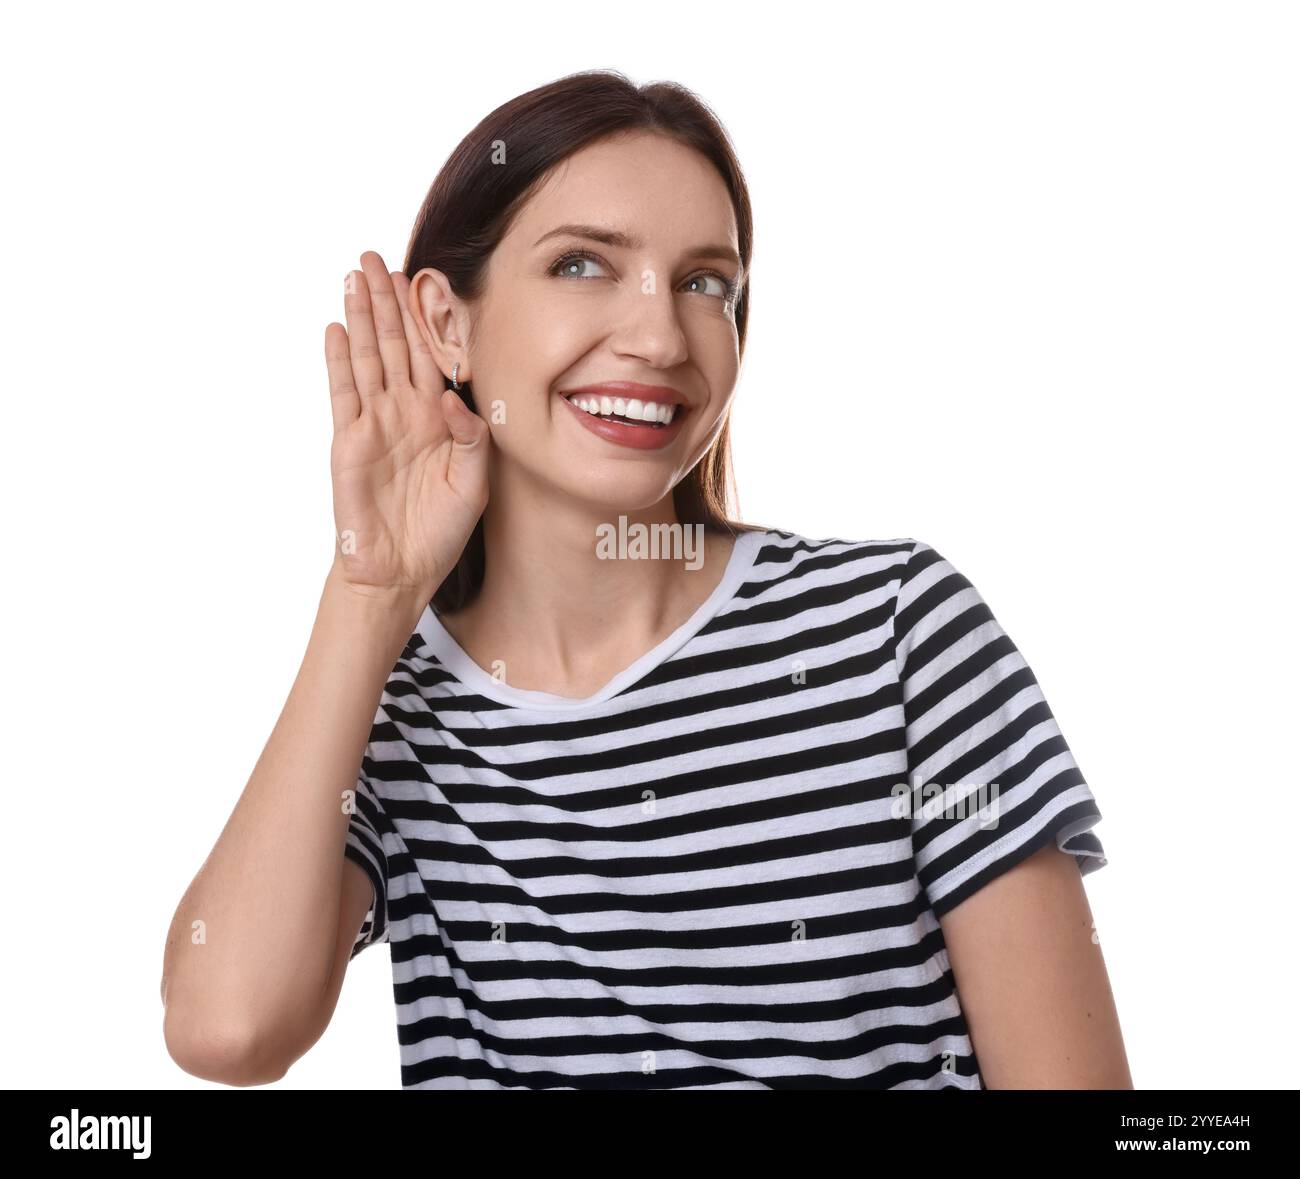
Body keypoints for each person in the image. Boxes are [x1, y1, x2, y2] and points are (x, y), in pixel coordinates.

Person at [160, 69, 1131, 1090]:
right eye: (583, 264)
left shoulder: (897, 634)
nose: (661, 337)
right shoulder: (390, 718)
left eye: (706, 283)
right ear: (445, 324)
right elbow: (227, 1029)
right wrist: (368, 597)